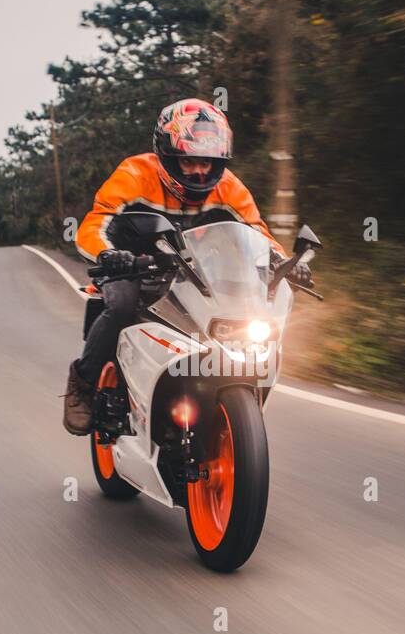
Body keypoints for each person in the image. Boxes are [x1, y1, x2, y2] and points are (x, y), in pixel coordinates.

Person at [62, 98, 312, 435]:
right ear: (166, 155)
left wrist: (283, 262)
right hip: (132, 267)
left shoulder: (230, 187)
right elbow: (94, 225)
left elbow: (258, 233)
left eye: (209, 162)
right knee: (121, 304)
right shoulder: (134, 173)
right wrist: (108, 256)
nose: (200, 171)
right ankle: (84, 384)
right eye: (190, 160)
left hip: (193, 271)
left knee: (242, 313)